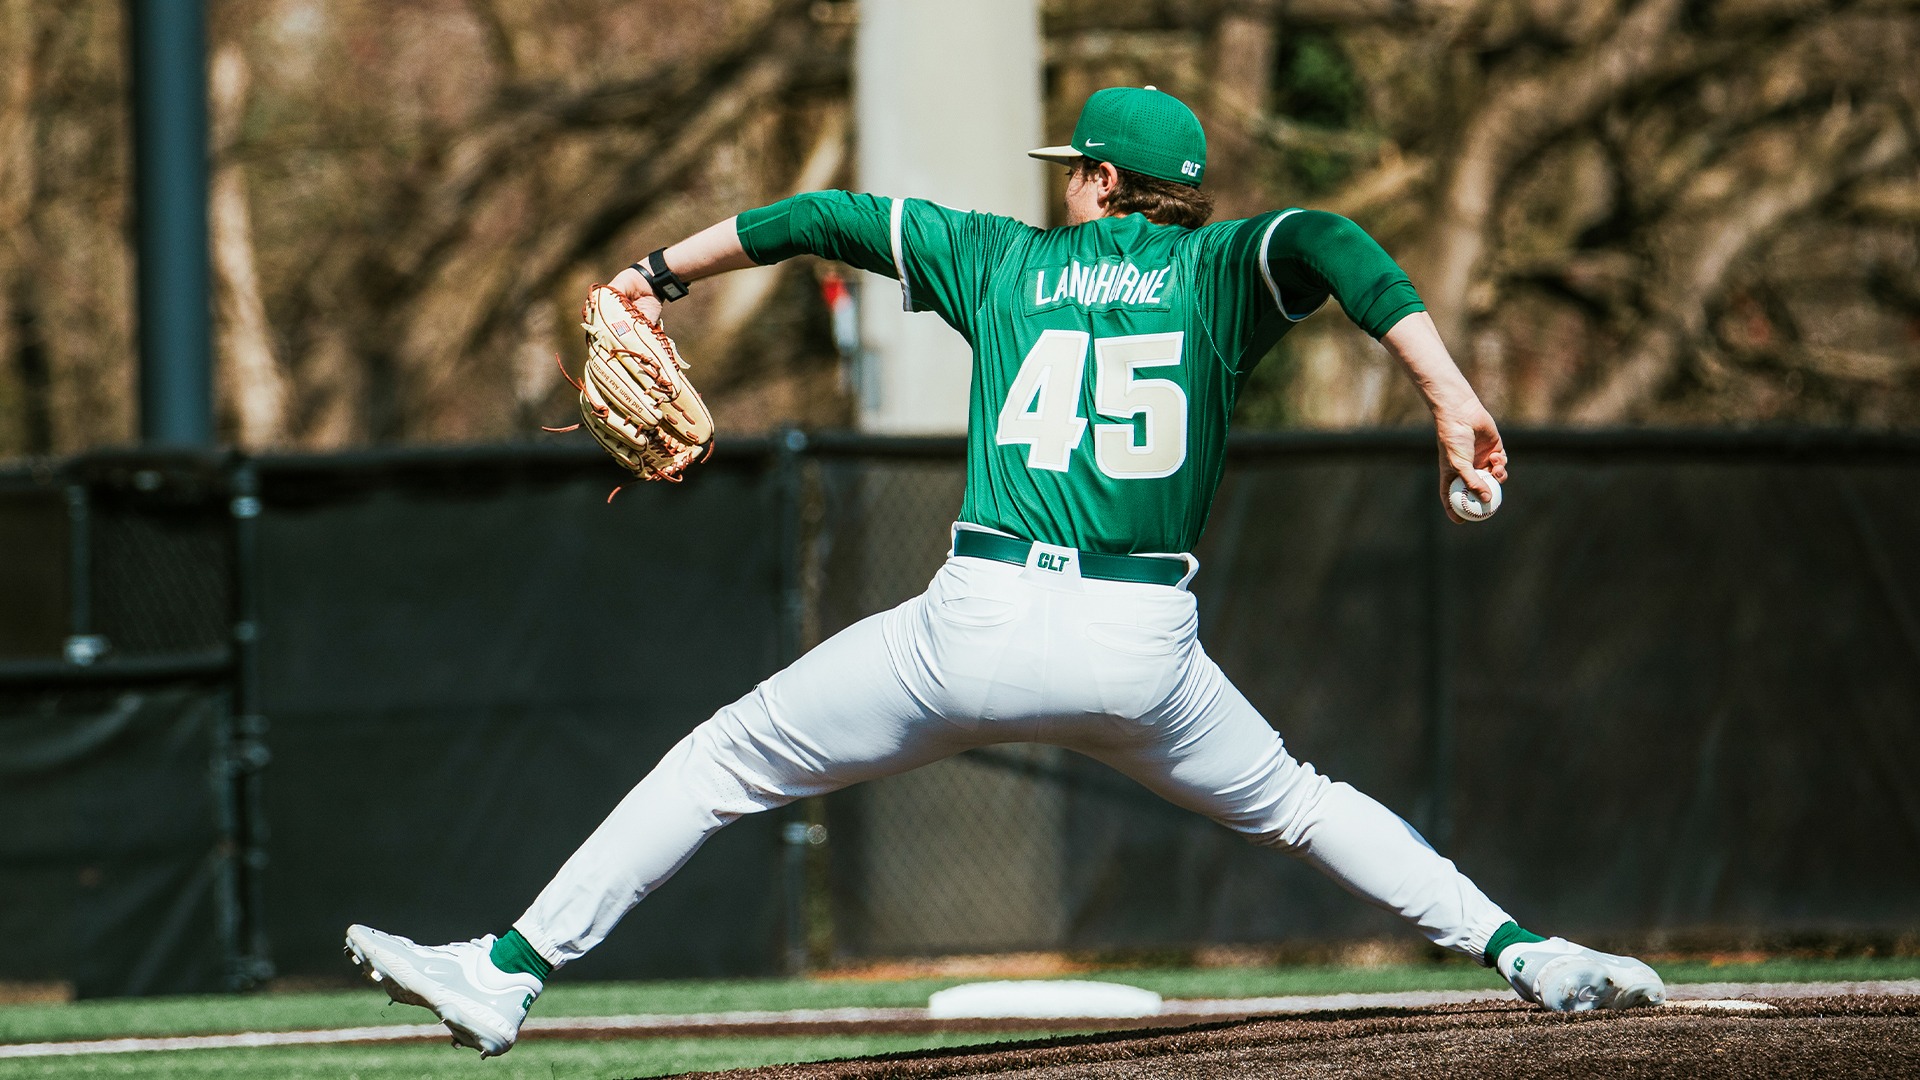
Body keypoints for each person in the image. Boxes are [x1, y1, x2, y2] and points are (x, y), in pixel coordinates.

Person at [346, 86, 1664, 1057]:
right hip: (1142, 645)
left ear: (1095, 180)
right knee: (1303, 803)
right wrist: (1442, 388)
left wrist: (650, 277)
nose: (1063, 187)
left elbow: (819, 215)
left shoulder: (1006, 260)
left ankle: (509, 971)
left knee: (724, 762)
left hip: (972, 623)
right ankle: (1527, 950)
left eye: (1073, 171)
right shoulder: (1219, 269)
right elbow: (1331, 240)